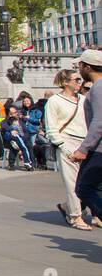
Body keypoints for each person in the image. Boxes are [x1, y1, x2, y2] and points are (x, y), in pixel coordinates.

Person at [45, 67, 89, 229]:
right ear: (65, 82)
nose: (79, 83)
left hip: (86, 142)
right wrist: (62, 146)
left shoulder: (84, 100)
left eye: (80, 80)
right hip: (67, 141)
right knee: (73, 183)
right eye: (76, 80)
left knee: (90, 181)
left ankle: (71, 207)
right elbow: (51, 127)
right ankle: (76, 216)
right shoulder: (54, 101)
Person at [70, 50, 102, 225]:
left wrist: (84, 148)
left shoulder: (98, 87)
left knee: (84, 188)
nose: (79, 69)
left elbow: (99, 121)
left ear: (88, 67)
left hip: (98, 148)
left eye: (80, 65)